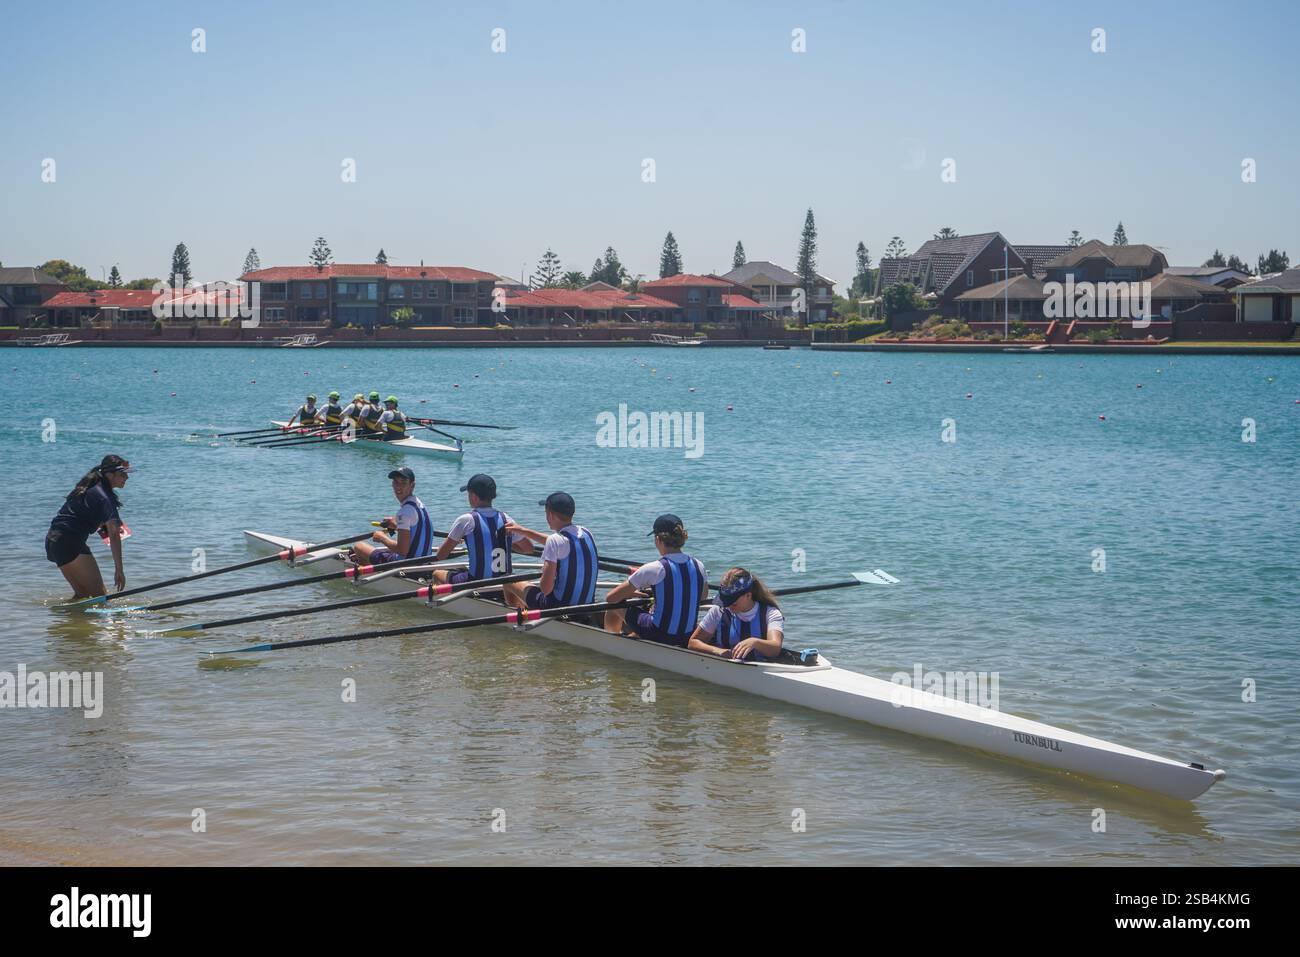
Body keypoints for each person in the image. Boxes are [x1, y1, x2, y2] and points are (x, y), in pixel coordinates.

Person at [603, 514, 707, 647]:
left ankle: (611, 645)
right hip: (687, 635)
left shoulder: (654, 568)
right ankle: (636, 634)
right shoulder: (699, 565)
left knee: (616, 604)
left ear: (658, 539)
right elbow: (702, 597)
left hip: (659, 634)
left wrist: (628, 594)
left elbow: (611, 598)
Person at [45, 454, 132, 598]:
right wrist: (119, 570)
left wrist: (114, 530)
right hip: (69, 542)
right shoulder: (105, 497)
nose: (127, 478)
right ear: (110, 475)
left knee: (83, 596)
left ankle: (67, 617)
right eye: (122, 474)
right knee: (100, 597)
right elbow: (114, 534)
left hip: (54, 540)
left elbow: (105, 527)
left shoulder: (91, 488)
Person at [501, 492, 599, 612]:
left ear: (551, 515)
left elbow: (545, 589)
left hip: (556, 607)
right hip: (587, 605)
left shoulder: (555, 540)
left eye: (546, 513)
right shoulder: (586, 533)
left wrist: (547, 573)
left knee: (508, 580)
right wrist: (523, 531)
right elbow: (558, 543)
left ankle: (518, 618)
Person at [430, 474, 533, 584]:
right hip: (504, 584)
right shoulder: (506, 519)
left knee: (436, 573)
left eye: (468, 494)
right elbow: (529, 549)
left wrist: (456, 539)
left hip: (475, 581)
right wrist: (505, 543)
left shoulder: (466, 520)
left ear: (474, 496)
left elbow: (441, 555)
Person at [687, 567, 784, 662]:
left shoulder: (771, 613)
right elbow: (693, 643)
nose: (728, 607)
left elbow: (775, 648)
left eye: (733, 603)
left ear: (748, 595)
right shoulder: (719, 610)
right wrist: (718, 651)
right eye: (726, 602)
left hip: (760, 668)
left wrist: (755, 642)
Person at [351, 467, 434, 565]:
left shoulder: (404, 512)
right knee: (384, 551)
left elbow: (402, 550)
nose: (398, 487)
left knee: (359, 546)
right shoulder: (421, 506)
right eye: (396, 482)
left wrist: (382, 538)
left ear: (412, 485)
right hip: (424, 563)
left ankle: (369, 571)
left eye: (403, 483)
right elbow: (415, 530)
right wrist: (396, 525)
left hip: (405, 566)